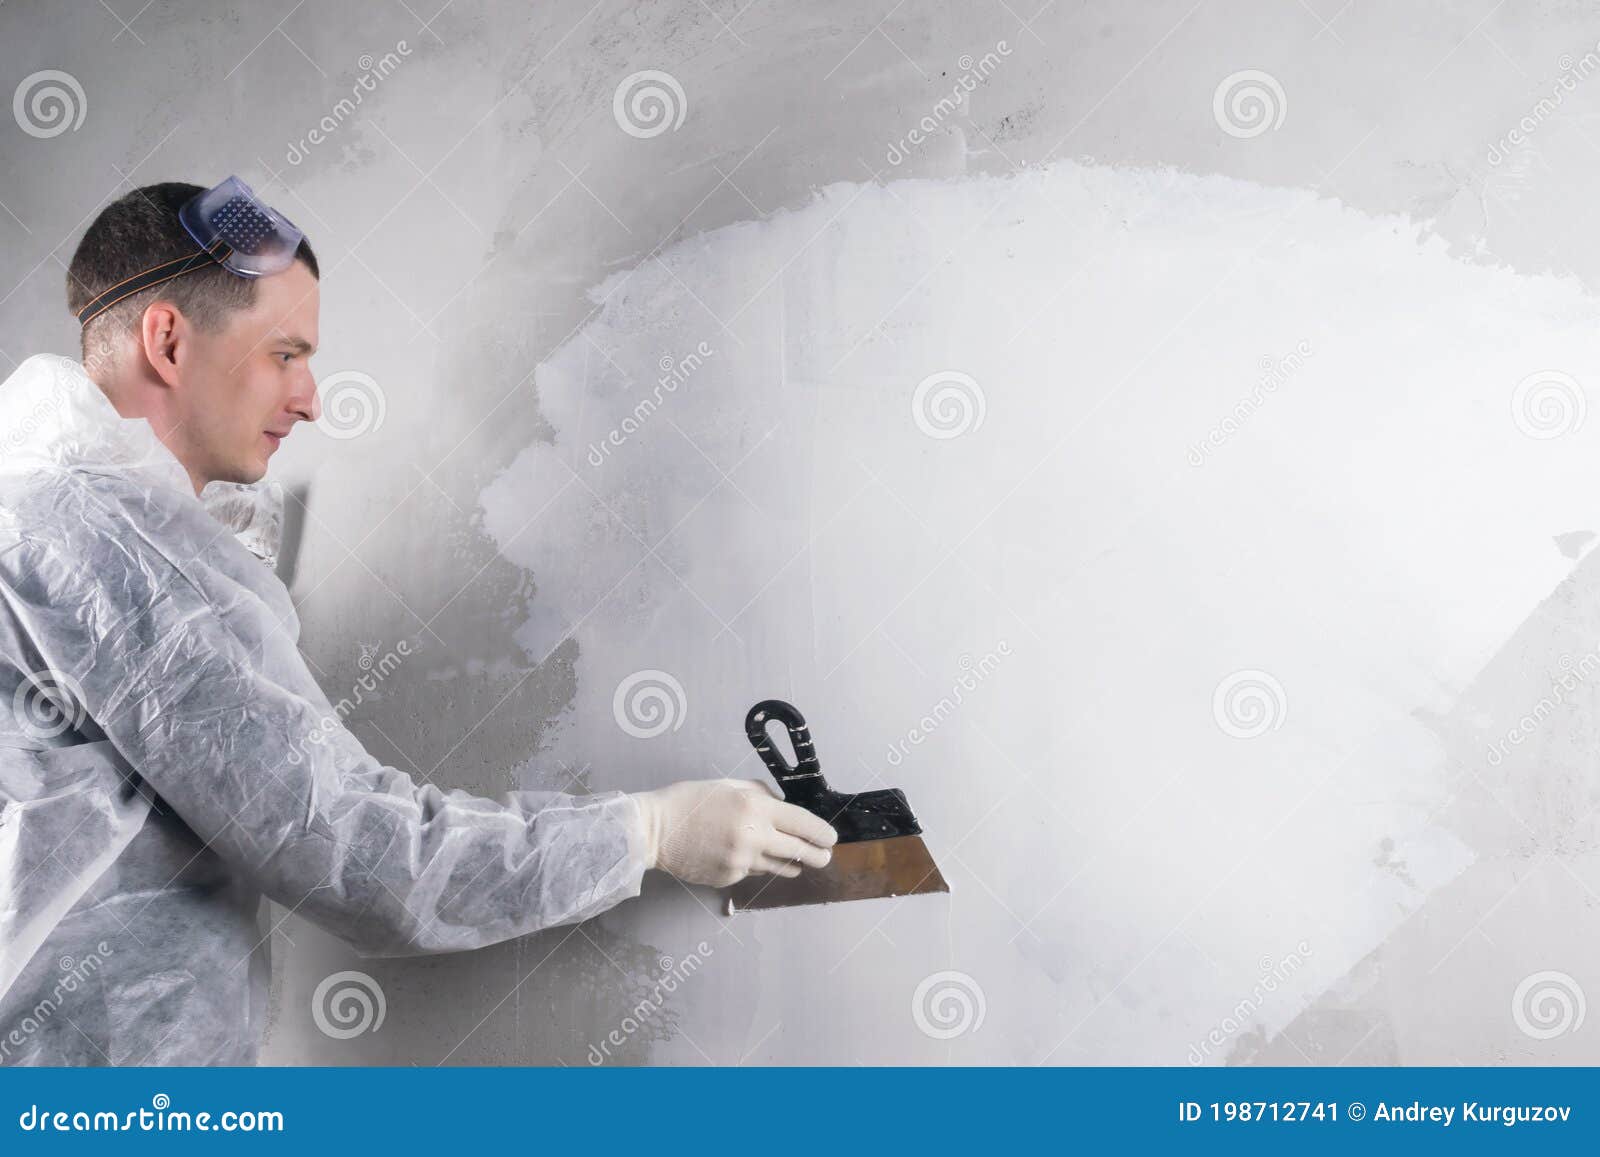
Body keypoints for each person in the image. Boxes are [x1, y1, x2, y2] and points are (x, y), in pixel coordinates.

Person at [0, 179, 836, 1066]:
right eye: (285, 354)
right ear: (168, 340)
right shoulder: (123, 549)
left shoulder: (37, 503)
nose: (313, 398)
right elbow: (355, 853)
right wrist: (651, 833)